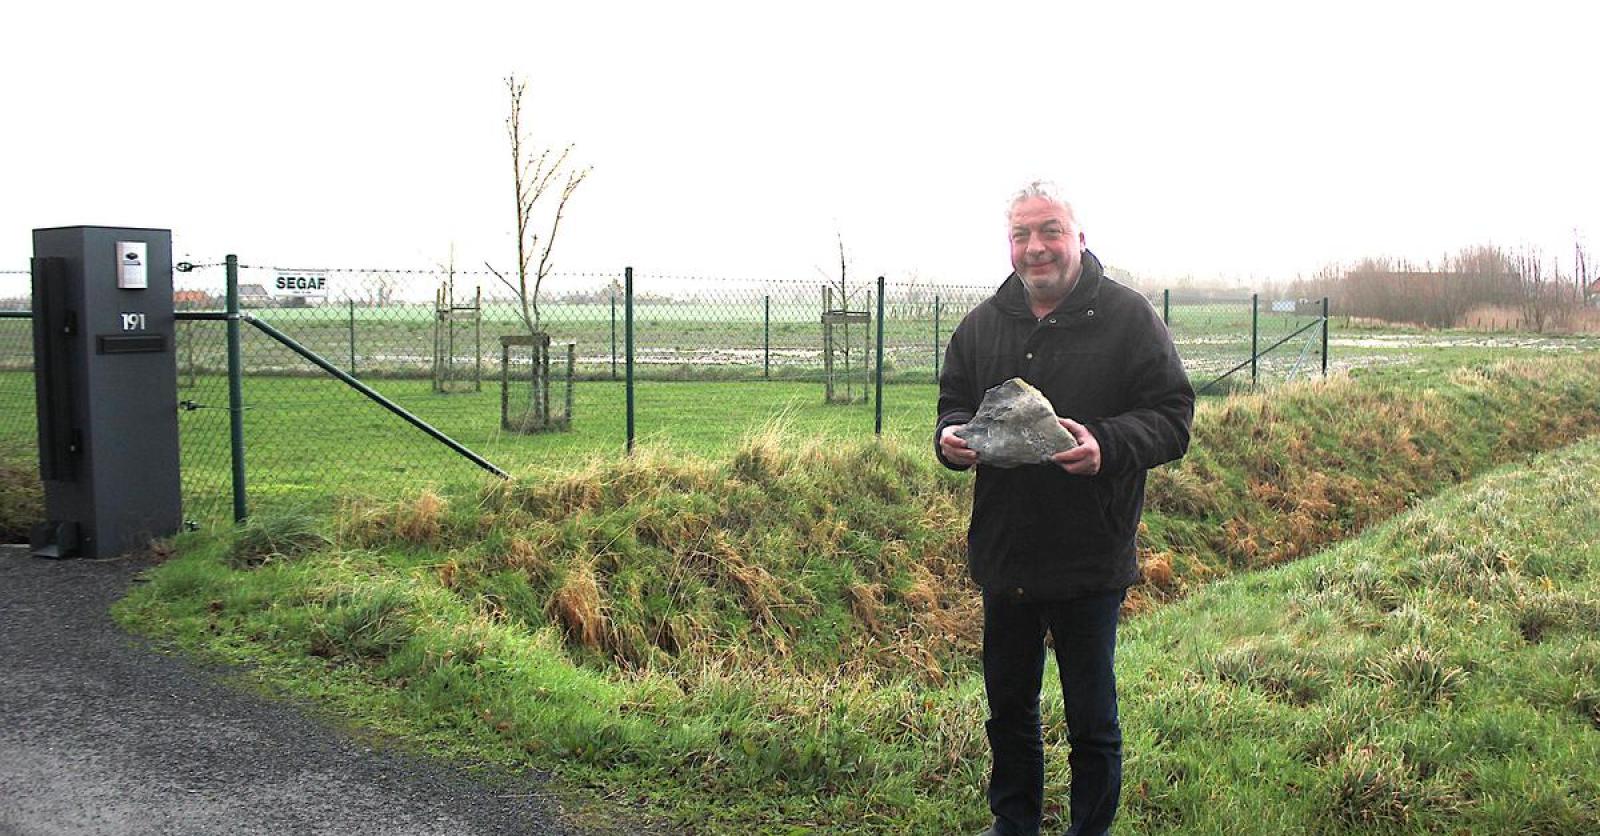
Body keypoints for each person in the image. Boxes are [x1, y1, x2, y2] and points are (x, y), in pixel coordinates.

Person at [935, 181, 1194, 836]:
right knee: (1009, 710)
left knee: (1092, 720)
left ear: (1078, 236)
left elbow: (1173, 418)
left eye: (1049, 230)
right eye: (1021, 234)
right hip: (1007, 553)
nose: (1036, 247)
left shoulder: (1129, 318)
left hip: (1089, 554)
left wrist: (1106, 444)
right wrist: (950, 440)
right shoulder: (981, 325)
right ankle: (1013, 823)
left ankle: (1089, 830)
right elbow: (953, 405)